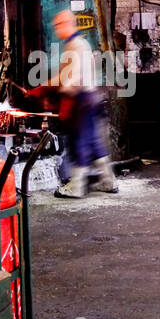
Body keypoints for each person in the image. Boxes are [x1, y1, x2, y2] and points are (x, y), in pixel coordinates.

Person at [50, 10, 118, 198]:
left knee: (78, 141)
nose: (56, 29)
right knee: (94, 143)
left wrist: (63, 91)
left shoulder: (76, 45)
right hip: (91, 98)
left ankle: (77, 187)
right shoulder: (76, 44)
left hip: (82, 100)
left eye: (58, 25)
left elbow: (74, 75)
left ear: (67, 24)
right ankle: (108, 181)